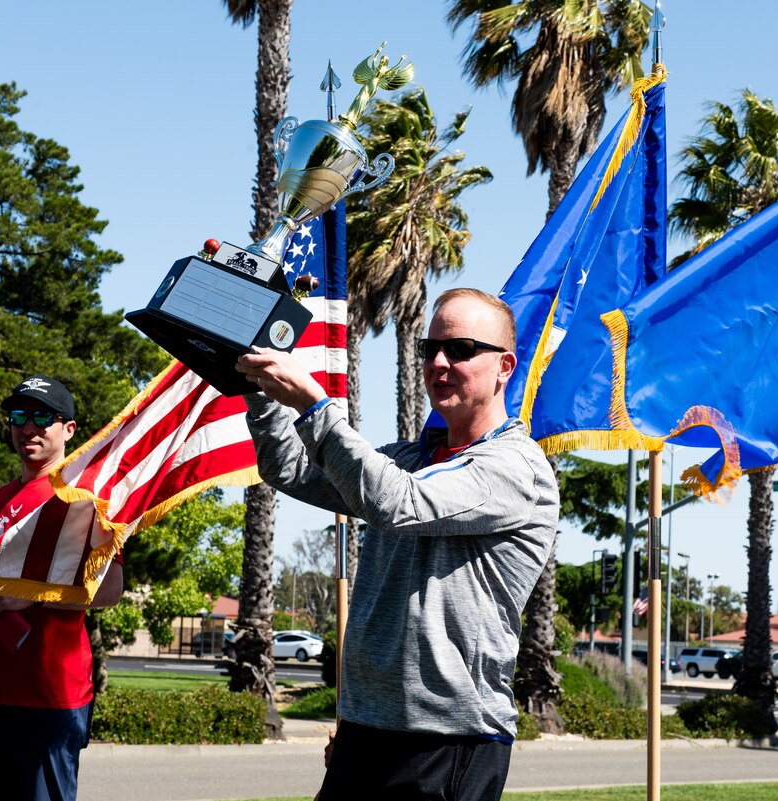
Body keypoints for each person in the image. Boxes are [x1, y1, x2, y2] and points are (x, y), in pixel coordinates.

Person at [238, 288, 559, 801]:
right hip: (365, 728)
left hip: (447, 739)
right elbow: (290, 469)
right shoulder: (410, 457)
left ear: (505, 366)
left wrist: (313, 404)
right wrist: (256, 378)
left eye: (459, 349)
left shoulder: (515, 468)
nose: (438, 362)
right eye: (428, 349)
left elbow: (398, 502)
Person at [0, 375, 123, 801]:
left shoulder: (83, 498)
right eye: (19, 416)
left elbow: (111, 589)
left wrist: (30, 593)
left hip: (51, 698)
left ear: (69, 429)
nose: (28, 428)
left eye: (43, 417)